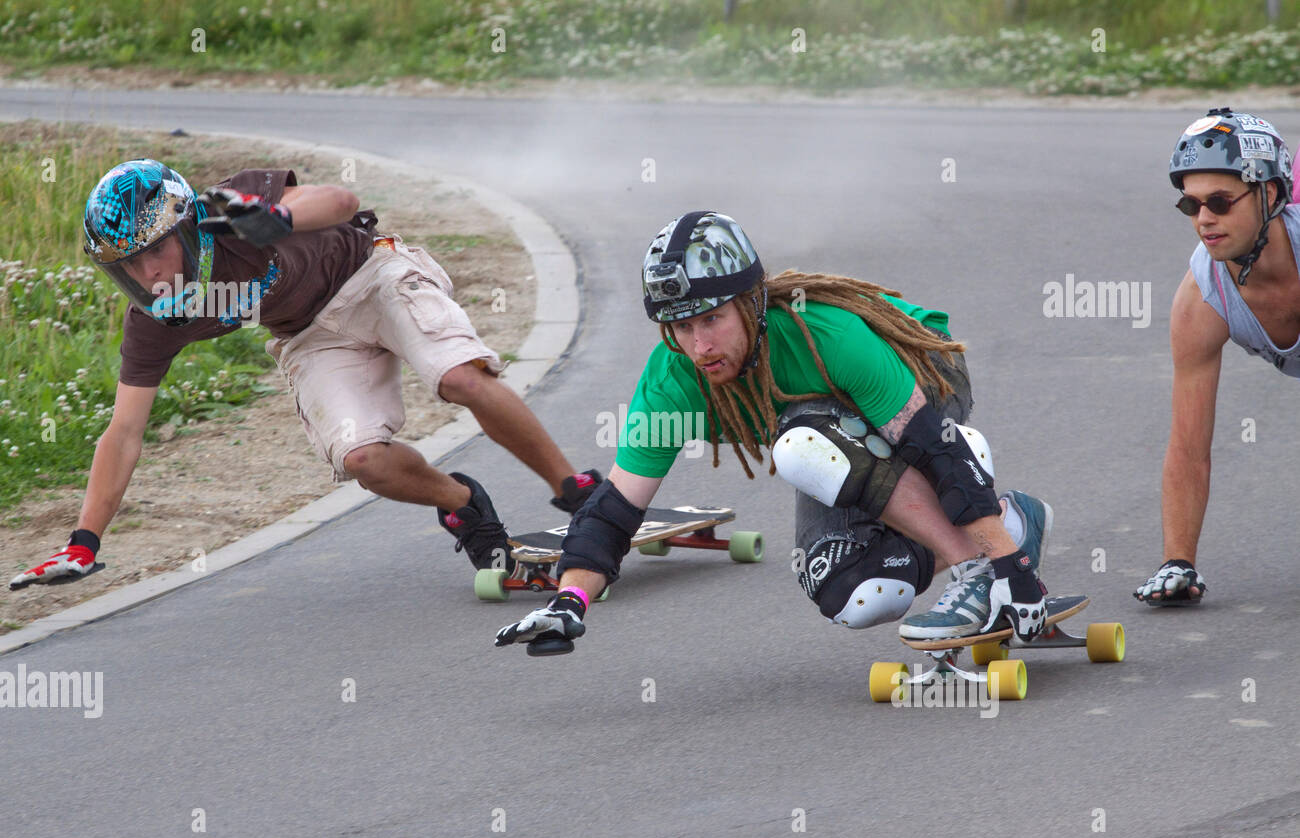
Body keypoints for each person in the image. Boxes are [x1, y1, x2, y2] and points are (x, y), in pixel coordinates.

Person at [9, 159, 597, 591]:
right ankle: (465, 507)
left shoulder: (229, 207)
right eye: (125, 267)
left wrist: (277, 217)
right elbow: (124, 432)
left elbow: (342, 199)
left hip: (373, 272)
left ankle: (576, 495)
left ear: (187, 228)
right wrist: (84, 542)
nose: (145, 275)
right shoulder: (154, 320)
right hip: (309, 333)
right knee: (361, 461)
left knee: (458, 379)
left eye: (152, 252)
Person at [492, 210, 1052, 656]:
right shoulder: (672, 381)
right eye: (681, 326)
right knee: (854, 595)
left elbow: (937, 450)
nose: (699, 346)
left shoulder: (824, 333)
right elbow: (613, 513)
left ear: (752, 303)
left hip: (925, 377)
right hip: (837, 439)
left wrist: (1012, 572)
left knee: (802, 444)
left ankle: (979, 567)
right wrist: (570, 600)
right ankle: (1011, 520)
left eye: (711, 319)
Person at [1135, 108, 1296, 606]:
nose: (1205, 220)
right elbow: (1188, 447)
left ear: (1269, 194)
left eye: (1221, 202)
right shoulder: (1201, 301)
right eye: (1191, 205)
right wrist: (1177, 560)